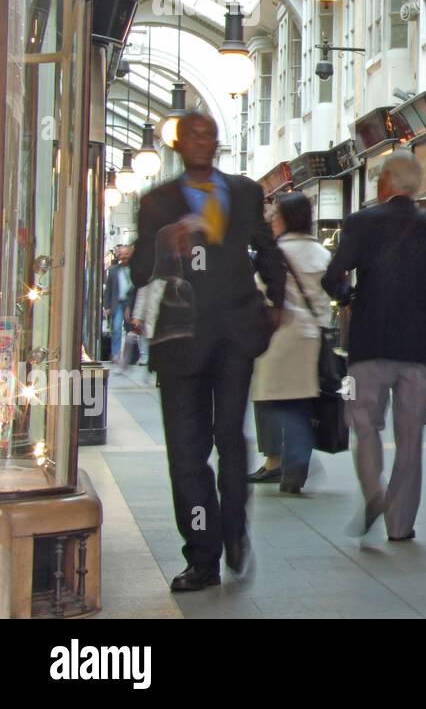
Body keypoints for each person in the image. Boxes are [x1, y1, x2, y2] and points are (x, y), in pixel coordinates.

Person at [130, 111, 285, 591]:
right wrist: (163, 242)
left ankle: (234, 529)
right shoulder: (157, 201)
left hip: (234, 336)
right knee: (186, 453)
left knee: (231, 440)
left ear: (217, 144)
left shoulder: (243, 192)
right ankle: (202, 554)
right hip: (179, 341)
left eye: (208, 136)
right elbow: (138, 271)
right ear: (178, 145)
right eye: (192, 135)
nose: (201, 142)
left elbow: (267, 250)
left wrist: (277, 303)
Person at [323, 151, 426, 542]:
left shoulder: (361, 222)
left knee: (364, 426)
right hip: (418, 346)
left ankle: (374, 492)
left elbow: (333, 275)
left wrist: (348, 298)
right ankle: (400, 526)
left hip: (369, 342)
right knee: (411, 438)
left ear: (385, 183)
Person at [249, 192, 332, 494]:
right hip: (311, 338)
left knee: (272, 402)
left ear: (286, 218)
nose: (272, 219)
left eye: (276, 214)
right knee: (300, 403)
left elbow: (261, 292)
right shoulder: (321, 254)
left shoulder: (275, 253)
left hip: (277, 336)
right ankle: (297, 463)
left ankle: (283, 460)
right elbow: (326, 298)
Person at [102, 246, 134, 362]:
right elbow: (108, 290)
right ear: (118, 256)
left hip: (130, 303)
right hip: (118, 304)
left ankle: (129, 356)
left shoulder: (135, 269)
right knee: (116, 328)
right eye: (121, 254)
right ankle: (115, 354)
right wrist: (107, 307)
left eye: (126, 254)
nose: (124, 256)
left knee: (131, 331)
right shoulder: (113, 270)